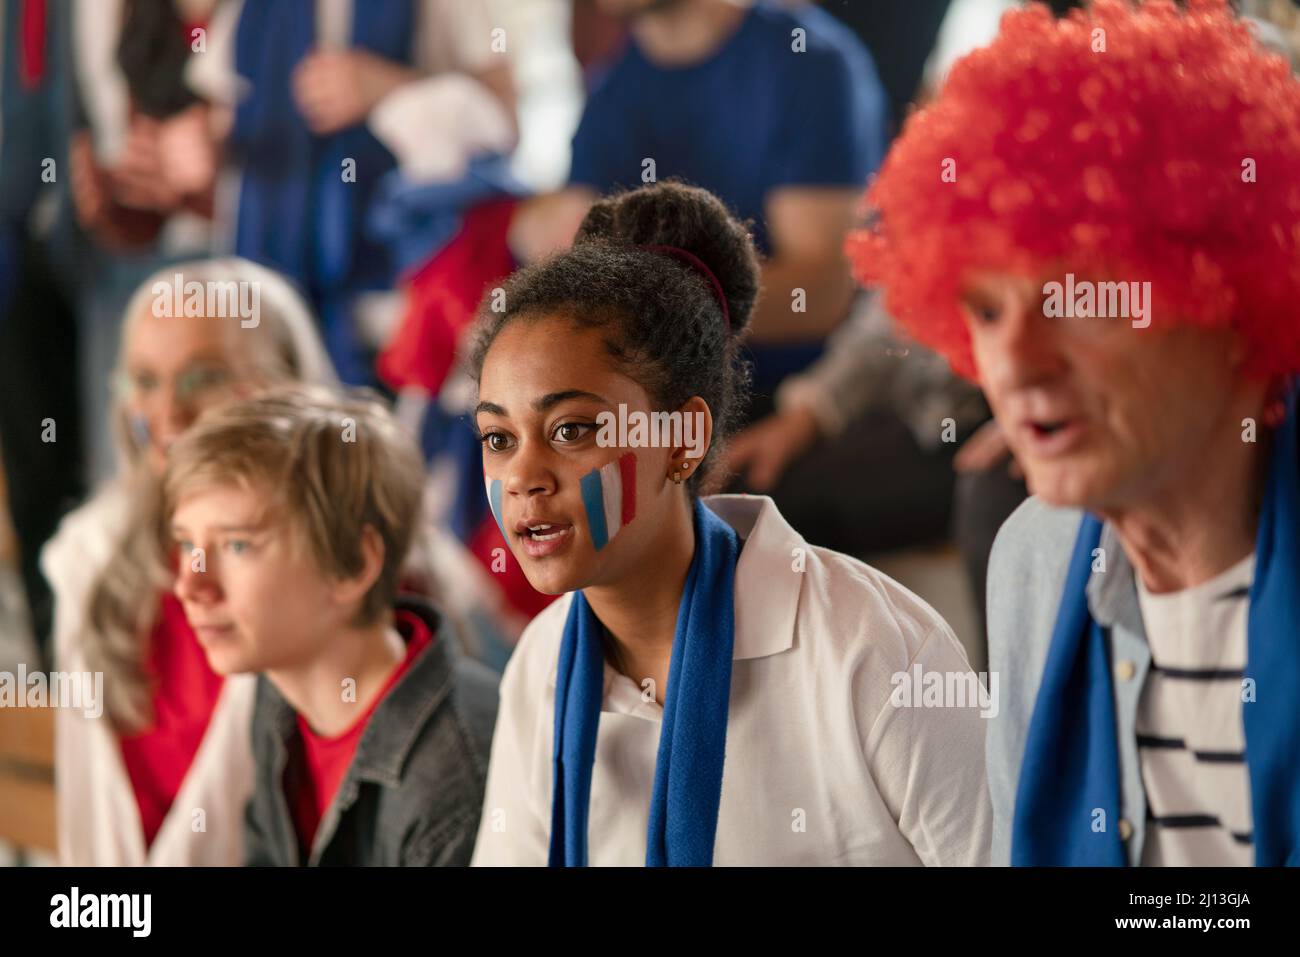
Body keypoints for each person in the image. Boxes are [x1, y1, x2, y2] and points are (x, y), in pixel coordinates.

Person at [852, 0, 1300, 866]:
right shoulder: (1037, 561)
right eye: (987, 307)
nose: (1014, 362)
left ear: (1233, 301)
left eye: (1078, 297)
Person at [469, 181, 990, 866]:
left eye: (572, 429)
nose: (523, 477)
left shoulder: (870, 649)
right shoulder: (540, 665)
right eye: (498, 439)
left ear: (685, 439)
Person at [44, 258, 336, 865]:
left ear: (287, 389)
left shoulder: (354, 572)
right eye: (144, 380)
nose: (168, 415)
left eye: (203, 378)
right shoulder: (88, 559)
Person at [165, 385, 498, 865]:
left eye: (237, 546)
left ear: (352, 564)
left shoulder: (455, 783)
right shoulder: (275, 688)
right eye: (186, 544)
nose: (190, 586)